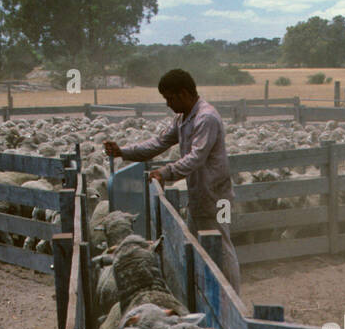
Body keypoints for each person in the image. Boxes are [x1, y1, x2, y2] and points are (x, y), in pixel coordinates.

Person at [103, 69, 241, 290]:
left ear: (184, 93)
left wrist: (166, 172)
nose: (167, 103)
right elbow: (158, 143)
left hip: (217, 196)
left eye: (169, 98)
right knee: (195, 246)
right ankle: (207, 297)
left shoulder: (206, 118)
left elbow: (197, 157)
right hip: (199, 195)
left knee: (221, 248)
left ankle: (234, 304)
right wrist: (123, 152)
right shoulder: (182, 119)